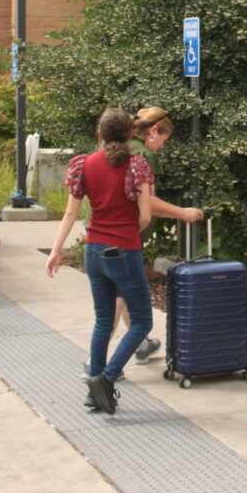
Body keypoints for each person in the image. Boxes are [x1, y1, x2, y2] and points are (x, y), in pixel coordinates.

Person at [45, 108, 153, 416]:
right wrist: (128, 234)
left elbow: (70, 213)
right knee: (143, 321)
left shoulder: (83, 165)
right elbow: (145, 215)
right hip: (124, 250)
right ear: (132, 134)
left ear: (99, 134)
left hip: (93, 249)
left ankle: (94, 392)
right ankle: (105, 379)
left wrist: (55, 251)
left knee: (103, 321)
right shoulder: (137, 166)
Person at [114, 106, 205, 365]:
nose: (163, 145)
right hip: (125, 232)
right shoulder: (142, 154)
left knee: (122, 292)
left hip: (102, 229)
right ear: (154, 131)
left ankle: (141, 344)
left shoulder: (120, 144)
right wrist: (182, 212)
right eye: (164, 138)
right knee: (120, 295)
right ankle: (97, 365)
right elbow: (149, 203)